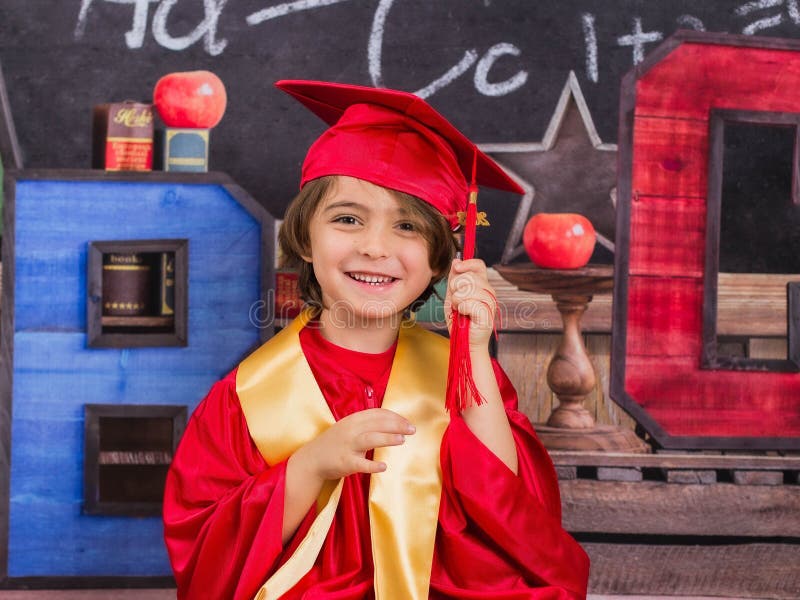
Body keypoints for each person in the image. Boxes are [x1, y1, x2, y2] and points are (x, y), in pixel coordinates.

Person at [163, 80, 590, 600]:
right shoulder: (241, 401)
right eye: (347, 219)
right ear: (303, 236)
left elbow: (515, 523)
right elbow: (206, 555)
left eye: (407, 226)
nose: (374, 247)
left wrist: (474, 353)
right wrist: (311, 464)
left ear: (439, 259)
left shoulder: (465, 374)